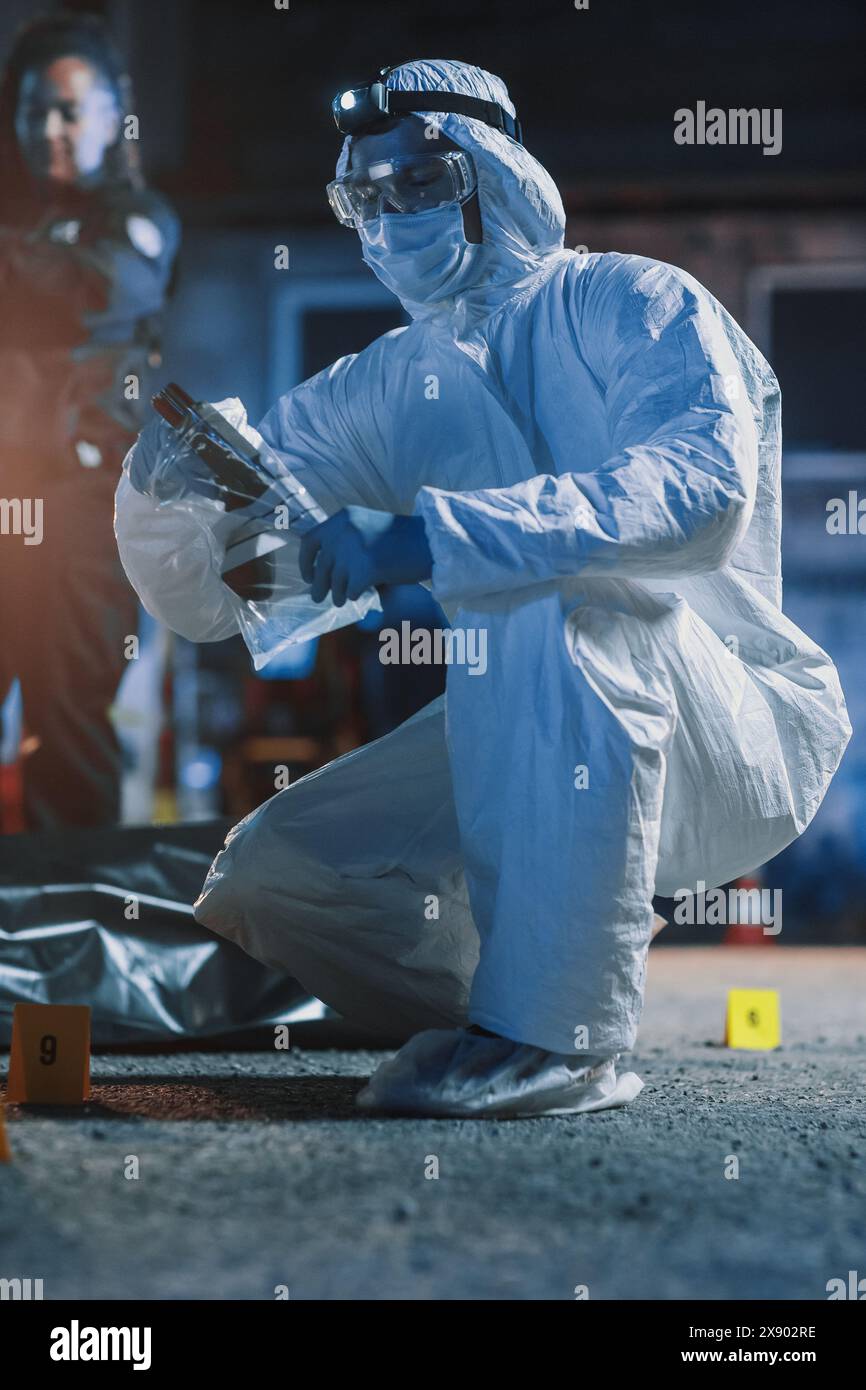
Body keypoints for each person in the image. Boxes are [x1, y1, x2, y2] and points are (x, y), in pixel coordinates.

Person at [116, 60, 850, 1117]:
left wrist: (428, 536)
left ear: (492, 179)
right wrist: (168, 492)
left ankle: (558, 1035)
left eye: (416, 182)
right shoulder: (379, 386)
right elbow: (232, 597)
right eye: (362, 195)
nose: (385, 216)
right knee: (272, 877)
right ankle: (502, 989)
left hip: (729, 724)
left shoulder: (627, 300)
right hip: (539, 734)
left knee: (554, 594)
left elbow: (700, 491)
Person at [0, 13, 179, 829]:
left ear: (114, 117)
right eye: (33, 109)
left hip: (81, 515)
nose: (49, 130)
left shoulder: (137, 223)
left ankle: (79, 941)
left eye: (70, 110)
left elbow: (91, 296)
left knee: (67, 726)